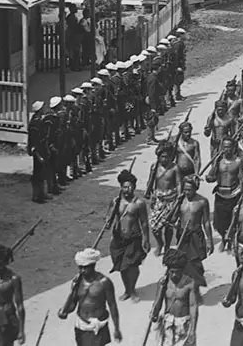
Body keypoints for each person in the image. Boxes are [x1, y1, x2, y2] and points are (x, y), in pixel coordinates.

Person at [58, 248, 123, 345]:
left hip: (98, 326)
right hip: (82, 326)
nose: (82, 270)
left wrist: (117, 329)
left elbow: (112, 305)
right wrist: (65, 310)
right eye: (80, 267)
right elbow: (73, 304)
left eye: (85, 267)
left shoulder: (104, 282)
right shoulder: (77, 281)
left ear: (93, 266)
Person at [108, 169, 150, 301]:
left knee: (133, 266)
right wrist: (108, 219)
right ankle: (127, 289)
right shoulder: (115, 202)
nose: (128, 189)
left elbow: (144, 222)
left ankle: (132, 290)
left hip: (134, 238)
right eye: (125, 187)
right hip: (119, 239)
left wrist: (146, 239)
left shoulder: (139, 203)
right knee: (122, 267)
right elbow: (108, 219)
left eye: (131, 186)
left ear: (135, 187)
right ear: (121, 187)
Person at [150, 249, 199, 346]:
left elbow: (193, 307)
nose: (174, 275)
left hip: (184, 323)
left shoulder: (190, 283)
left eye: (177, 272)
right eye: (172, 272)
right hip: (168, 322)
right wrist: (160, 289)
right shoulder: (163, 283)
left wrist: (192, 330)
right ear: (168, 270)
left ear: (182, 270)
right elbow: (156, 308)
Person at [206, 137, 243, 250]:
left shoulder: (238, 161)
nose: (226, 149)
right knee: (220, 220)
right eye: (225, 147)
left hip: (234, 192)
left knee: (234, 217)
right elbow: (210, 177)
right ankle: (223, 238)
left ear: (233, 148)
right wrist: (215, 163)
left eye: (229, 147)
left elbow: (241, 178)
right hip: (221, 193)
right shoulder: (219, 161)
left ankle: (232, 239)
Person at [175, 175, 213, 289]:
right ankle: (187, 288)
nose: (186, 192)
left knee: (195, 264)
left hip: (195, 235)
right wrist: (176, 204)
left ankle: (196, 289)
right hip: (182, 235)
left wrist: (209, 240)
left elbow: (206, 222)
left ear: (195, 189)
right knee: (182, 263)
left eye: (189, 190)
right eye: (185, 189)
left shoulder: (202, 201)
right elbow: (172, 219)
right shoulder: (181, 200)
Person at [146, 144, 182, 256]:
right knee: (154, 227)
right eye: (162, 157)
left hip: (171, 198)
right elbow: (150, 183)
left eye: (166, 157)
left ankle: (167, 246)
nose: (164, 159)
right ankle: (159, 243)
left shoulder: (174, 168)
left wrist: (179, 198)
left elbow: (178, 183)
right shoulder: (154, 167)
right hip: (158, 199)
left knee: (168, 226)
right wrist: (151, 193)